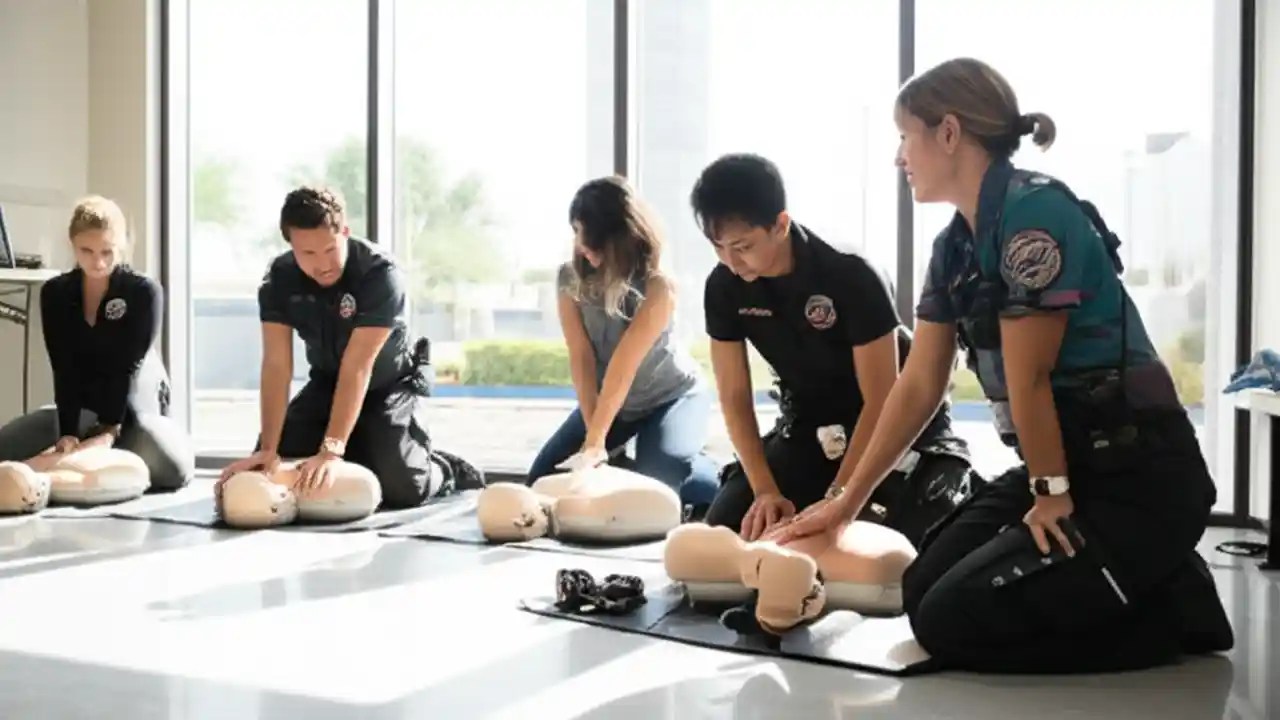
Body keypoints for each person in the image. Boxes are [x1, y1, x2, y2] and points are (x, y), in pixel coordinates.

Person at [779, 58, 1234, 673]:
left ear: (947, 133)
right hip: (1063, 461)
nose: (898, 157)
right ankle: (1139, 570)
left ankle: (1175, 608)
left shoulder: (1034, 217)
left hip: (1134, 475)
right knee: (920, 592)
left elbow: (1030, 378)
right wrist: (844, 501)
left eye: (904, 136)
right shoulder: (955, 245)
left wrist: (1050, 496)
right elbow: (919, 384)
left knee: (953, 623)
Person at [694, 153, 975, 547]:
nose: (730, 261)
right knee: (727, 528)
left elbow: (881, 400)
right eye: (718, 247)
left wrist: (838, 499)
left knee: (899, 542)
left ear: (780, 225)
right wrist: (764, 491)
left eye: (742, 246)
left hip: (896, 426)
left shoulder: (849, 272)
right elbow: (734, 397)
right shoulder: (723, 285)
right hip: (812, 425)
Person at [219, 186, 476, 508]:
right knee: (271, 464)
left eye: (329, 249)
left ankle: (443, 467)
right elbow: (276, 364)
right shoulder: (279, 279)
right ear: (291, 246)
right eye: (308, 254)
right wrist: (269, 448)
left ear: (345, 232)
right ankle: (356, 448)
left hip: (387, 386)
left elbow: (358, 366)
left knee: (402, 488)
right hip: (326, 382)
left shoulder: (381, 274)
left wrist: (330, 450)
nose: (322, 264)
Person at [528, 176, 720, 513]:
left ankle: (709, 469)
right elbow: (582, 357)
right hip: (611, 404)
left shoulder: (659, 286)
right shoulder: (569, 278)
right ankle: (625, 461)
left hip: (671, 396)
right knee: (540, 483)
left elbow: (623, 365)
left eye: (592, 238)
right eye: (576, 231)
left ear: (623, 238)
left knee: (658, 485)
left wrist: (597, 442)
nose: (582, 245)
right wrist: (593, 439)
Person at [0, 196, 193, 489]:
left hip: (133, 399)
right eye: (86, 251)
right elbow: (62, 365)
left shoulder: (143, 292)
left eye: (107, 251)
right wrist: (67, 433)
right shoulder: (56, 293)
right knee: (12, 448)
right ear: (72, 245)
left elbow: (130, 366)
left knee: (169, 470)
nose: (98, 262)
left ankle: (57, 466)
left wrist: (108, 431)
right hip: (85, 399)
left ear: (122, 245)